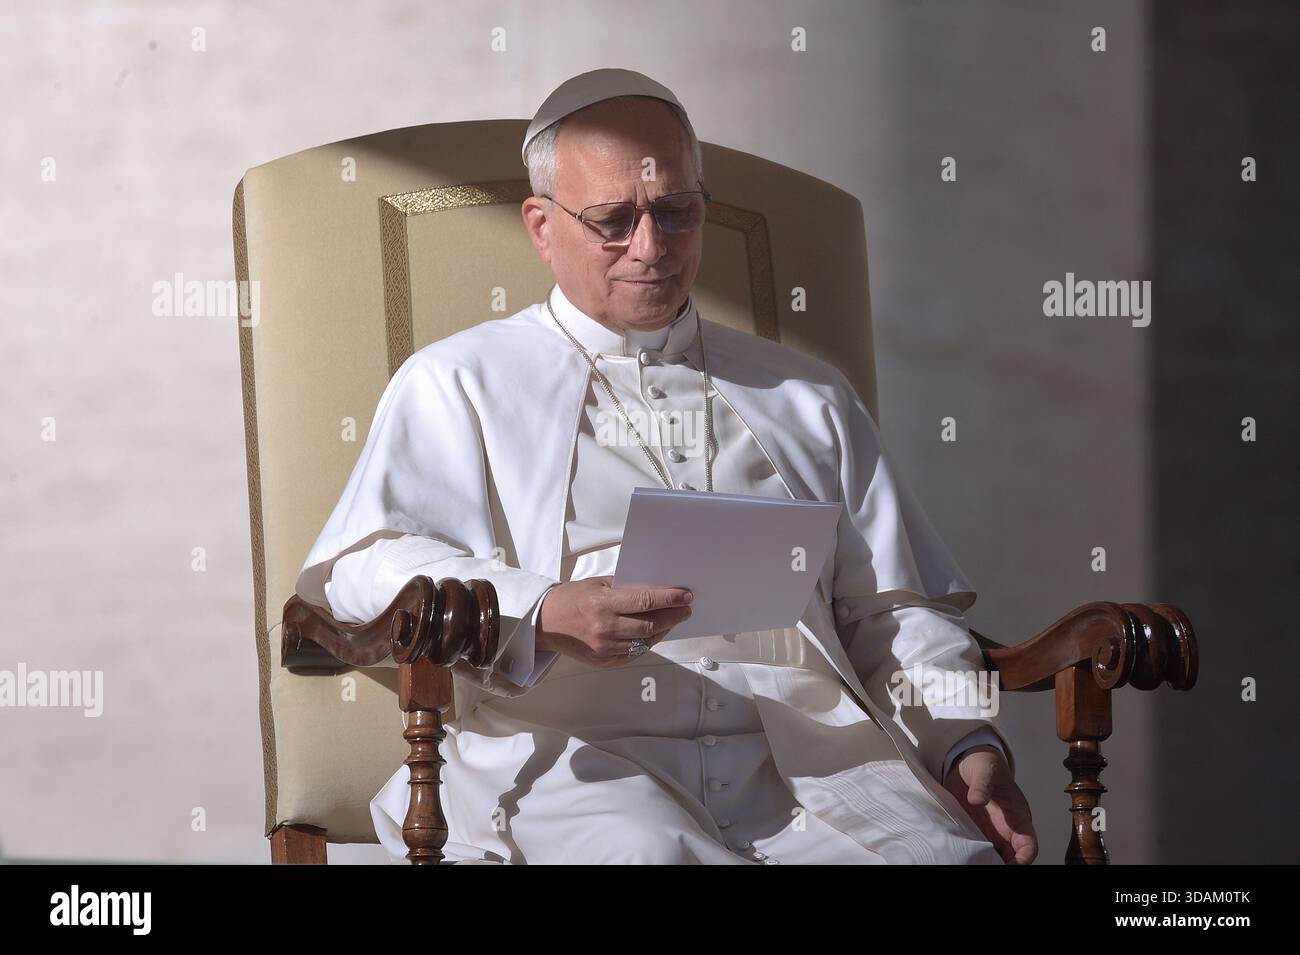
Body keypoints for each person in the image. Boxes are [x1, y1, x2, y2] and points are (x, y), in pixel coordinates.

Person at [295, 68, 1038, 865]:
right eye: (613, 220)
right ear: (541, 227)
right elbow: (363, 568)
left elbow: (892, 608)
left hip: (802, 767)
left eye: (676, 212)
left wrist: (966, 742)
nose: (650, 249)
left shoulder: (806, 394)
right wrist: (544, 609)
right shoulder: (458, 383)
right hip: (580, 766)